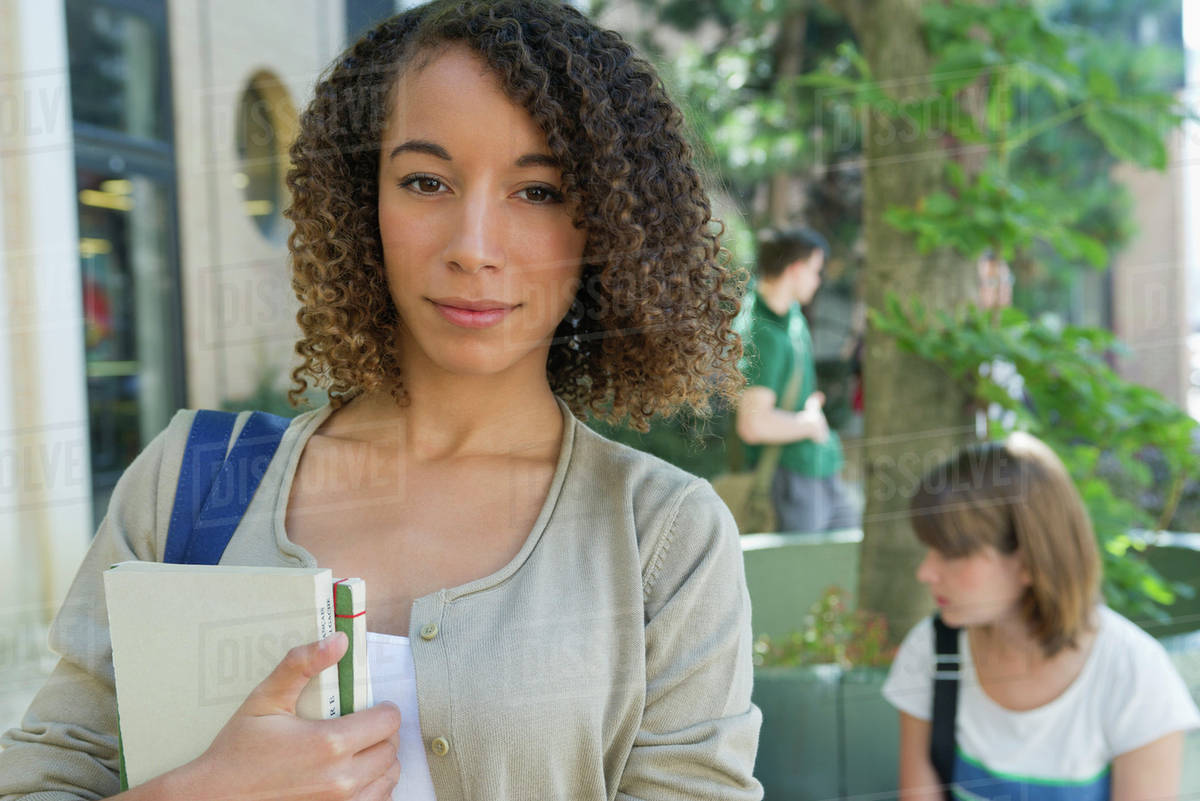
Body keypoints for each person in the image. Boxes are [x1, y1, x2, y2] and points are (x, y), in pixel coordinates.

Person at [0, 2, 763, 799]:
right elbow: (42, 774)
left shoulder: (662, 537)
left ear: (604, 224)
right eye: (425, 181)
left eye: (536, 191)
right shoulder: (195, 483)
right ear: (364, 202)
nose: (473, 246)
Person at [883, 432, 1200, 801]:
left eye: (951, 554)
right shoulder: (933, 650)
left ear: (1030, 560)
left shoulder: (1134, 675)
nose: (926, 572)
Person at [734, 227, 859, 533]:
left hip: (819, 471)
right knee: (807, 577)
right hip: (792, 481)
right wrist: (808, 424)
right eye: (816, 271)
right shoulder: (762, 333)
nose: (818, 280)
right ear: (795, 269)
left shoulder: (790, 314)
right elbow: (753, 424)